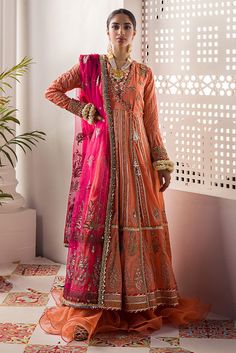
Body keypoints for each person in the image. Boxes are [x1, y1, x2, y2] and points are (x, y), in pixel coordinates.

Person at [40, 8, 210, 342]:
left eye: (127, 27)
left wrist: (161, 162)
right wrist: (81, 108)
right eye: (115, 26)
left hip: (137, 163)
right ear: (108, 31)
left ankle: (137, 303)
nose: (121, 32)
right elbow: (53, 90)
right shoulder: (91, 68)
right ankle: (93, 305)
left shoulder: (144, 74)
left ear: (134, 33)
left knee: (135, 228)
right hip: (101, 161)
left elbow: (150, 123)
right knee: (101, 225)